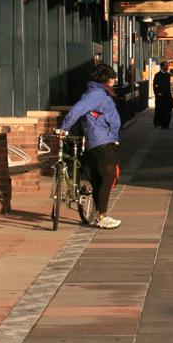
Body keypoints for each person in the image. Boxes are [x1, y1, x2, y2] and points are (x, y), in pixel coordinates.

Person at [59, 63, 124, 229]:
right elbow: (76, 110)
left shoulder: (96, 93)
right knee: (107, 177)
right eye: (112, 78)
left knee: (99, 178)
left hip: (101, 139)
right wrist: (64, 128)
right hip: (101, 140)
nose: (113, 81)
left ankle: (99, 214)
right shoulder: (96, 95)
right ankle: (102, 216)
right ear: (107, 80)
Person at [152, 62, 173, 128]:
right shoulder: (157, 75)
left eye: (167, 66)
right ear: (162, 67)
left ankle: (166, 124)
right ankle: (157, 122)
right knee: (159, 109)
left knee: (168, 109)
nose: (167, 67)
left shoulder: (168, 75)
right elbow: (154, 85)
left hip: (167, 95)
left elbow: (168, 86)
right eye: (166, 66)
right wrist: (157, 93)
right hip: (160, 96)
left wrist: (170, 95)